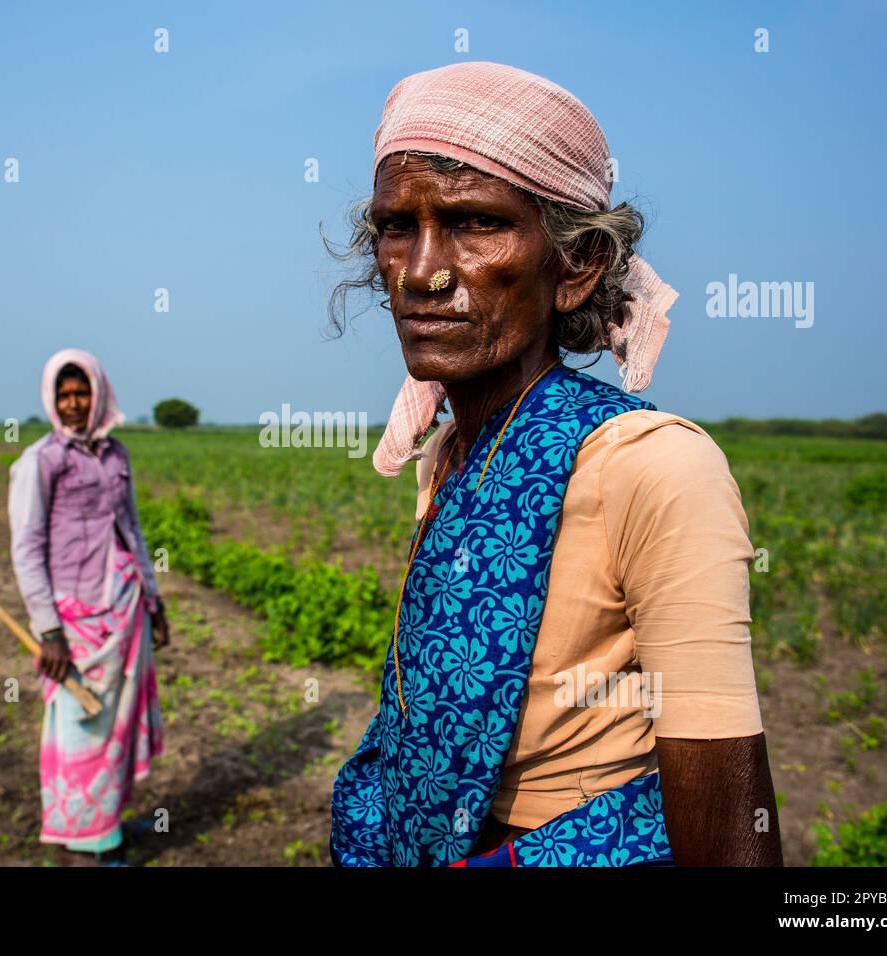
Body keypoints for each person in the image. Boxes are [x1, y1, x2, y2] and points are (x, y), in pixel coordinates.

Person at [328, 62, 783, 867]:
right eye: (398, 226)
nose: (424, 270)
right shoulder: (452, 453)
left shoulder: (653, 466)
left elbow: (728, 825)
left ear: (575, 266)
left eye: (474, 222)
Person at [7, 348, 169, 866]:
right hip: (74, 620)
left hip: (125, 609)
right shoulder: (41, 461)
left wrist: (154, 597)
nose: (74, 403)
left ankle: (110, 822)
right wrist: (47, 630)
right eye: (65, 394)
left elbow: (133, 528)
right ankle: (82, 836)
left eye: (82, 393)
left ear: (98, 394)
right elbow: (27, 548)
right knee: (81, 724)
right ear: (52, 400)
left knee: (118, 724)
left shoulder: (116, 454)